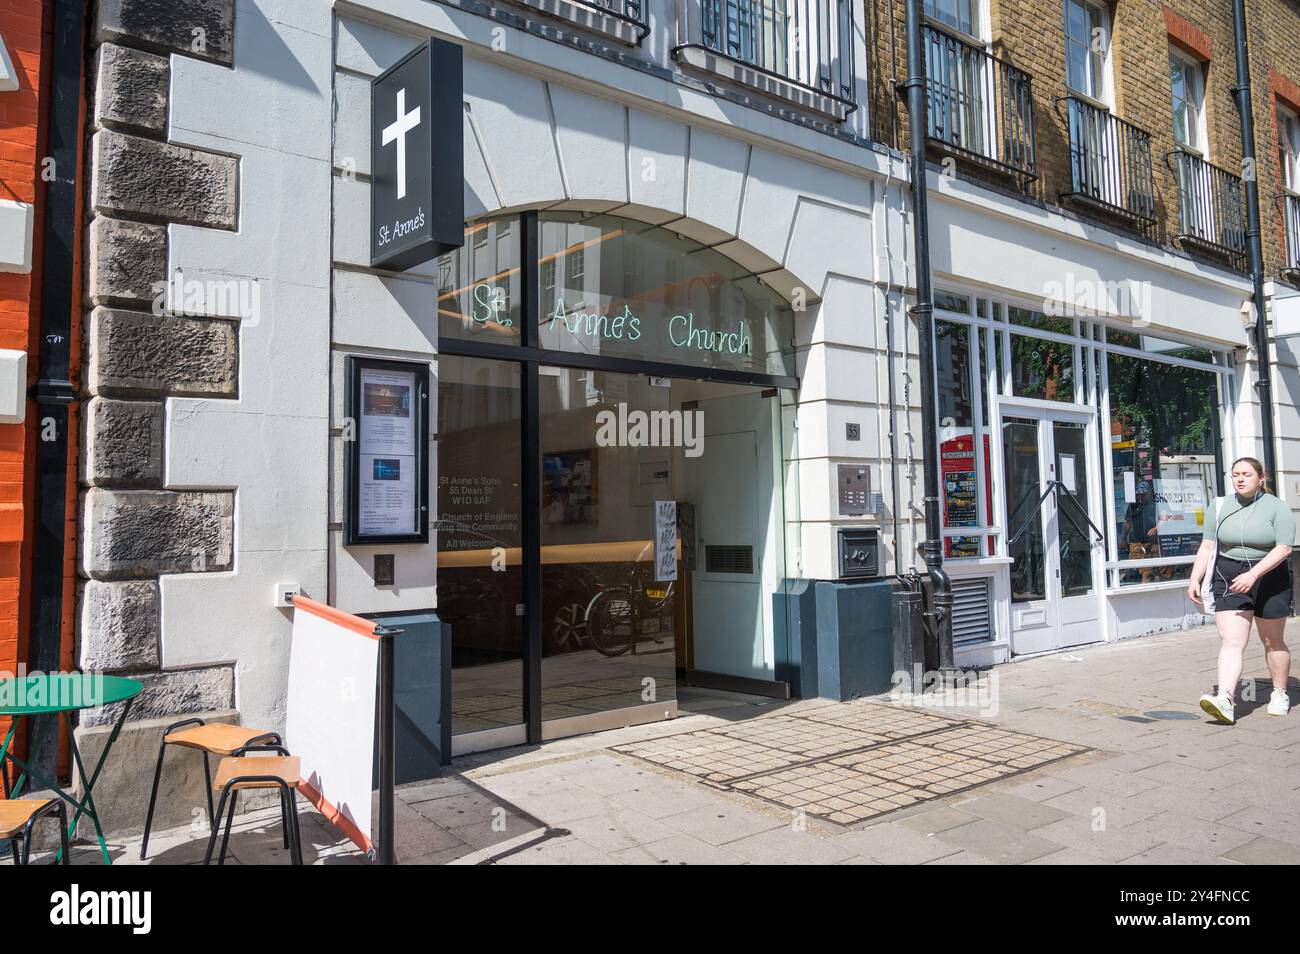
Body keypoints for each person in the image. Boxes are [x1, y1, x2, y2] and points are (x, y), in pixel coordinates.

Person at [1187, 457, 1295, 724]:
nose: (1240, 479)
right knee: (1232, 640)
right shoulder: (1219, 505)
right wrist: (1194, 579)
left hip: (1270, 575)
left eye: (1246, 474)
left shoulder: (1277, 507)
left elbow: (1284, 548)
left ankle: (1279, 692)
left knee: (1272, 641)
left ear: (1261, 477)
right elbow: (1208, 545)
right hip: (1229, 574)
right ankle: (1225, 699)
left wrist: (1254, 574)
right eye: (1235, 474)